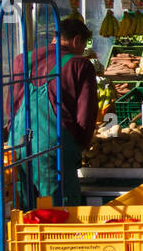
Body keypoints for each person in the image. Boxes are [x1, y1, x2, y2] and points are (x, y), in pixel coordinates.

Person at [7, 19, 97, 206]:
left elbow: (11, 103)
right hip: (53, 146)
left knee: (25, 208)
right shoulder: (80, 65)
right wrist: (80, 144)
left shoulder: (21, 60)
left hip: (18, 145)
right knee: (60, 210)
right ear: (76, 40)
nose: (83, 50)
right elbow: (86, 112)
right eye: (84, 45)